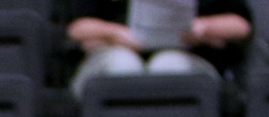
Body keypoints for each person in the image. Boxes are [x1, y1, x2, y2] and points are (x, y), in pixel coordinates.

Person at [68, 0, 250, 96]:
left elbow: (241, 25)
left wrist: (203, 27)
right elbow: (77, 28)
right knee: (122, 65)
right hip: (116, 52)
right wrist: (115, 34)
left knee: (169, 66)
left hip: (186, 56)